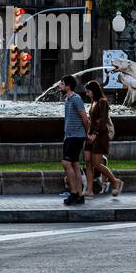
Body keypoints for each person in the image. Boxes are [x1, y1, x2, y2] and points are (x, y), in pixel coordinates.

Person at [83, 80, 123, 198]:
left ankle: (115, 181)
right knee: (87, 162)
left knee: (96, 164)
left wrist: (94, 133)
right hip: (90, 135)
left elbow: (103, 121)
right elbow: (93, 120)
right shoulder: (93, 101)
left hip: (100, 136)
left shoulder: (103, 102)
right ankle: (89, 190)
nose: (86, 93)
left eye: (88, 91)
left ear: (94, 91)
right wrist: (88, 133)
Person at [58, 75, 89, 206]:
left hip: (76, 136)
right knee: (75, 164)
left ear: (68, 86)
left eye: (62, 83)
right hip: (69, 136)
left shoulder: (76, 99)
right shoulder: (67, 99)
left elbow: (85, 118)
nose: (59, 86)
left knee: (66, 163)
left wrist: (89, 134)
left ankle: (74, 192)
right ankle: (80, 195)